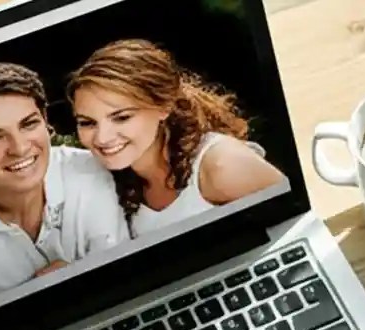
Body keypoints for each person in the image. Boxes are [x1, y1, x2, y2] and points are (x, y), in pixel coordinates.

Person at [0, 63, 130, 320]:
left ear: (45, 121)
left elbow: (121, 283)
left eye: (28, 125)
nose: (19, 148)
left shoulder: (89, 172)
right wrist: (38, 297)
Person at [66, 39, 285, 238]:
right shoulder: (105, 181)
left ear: (164, 107)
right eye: (87, 123)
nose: (102, 138)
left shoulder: (221, 164)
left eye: (122, 117)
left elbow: (294, 221)